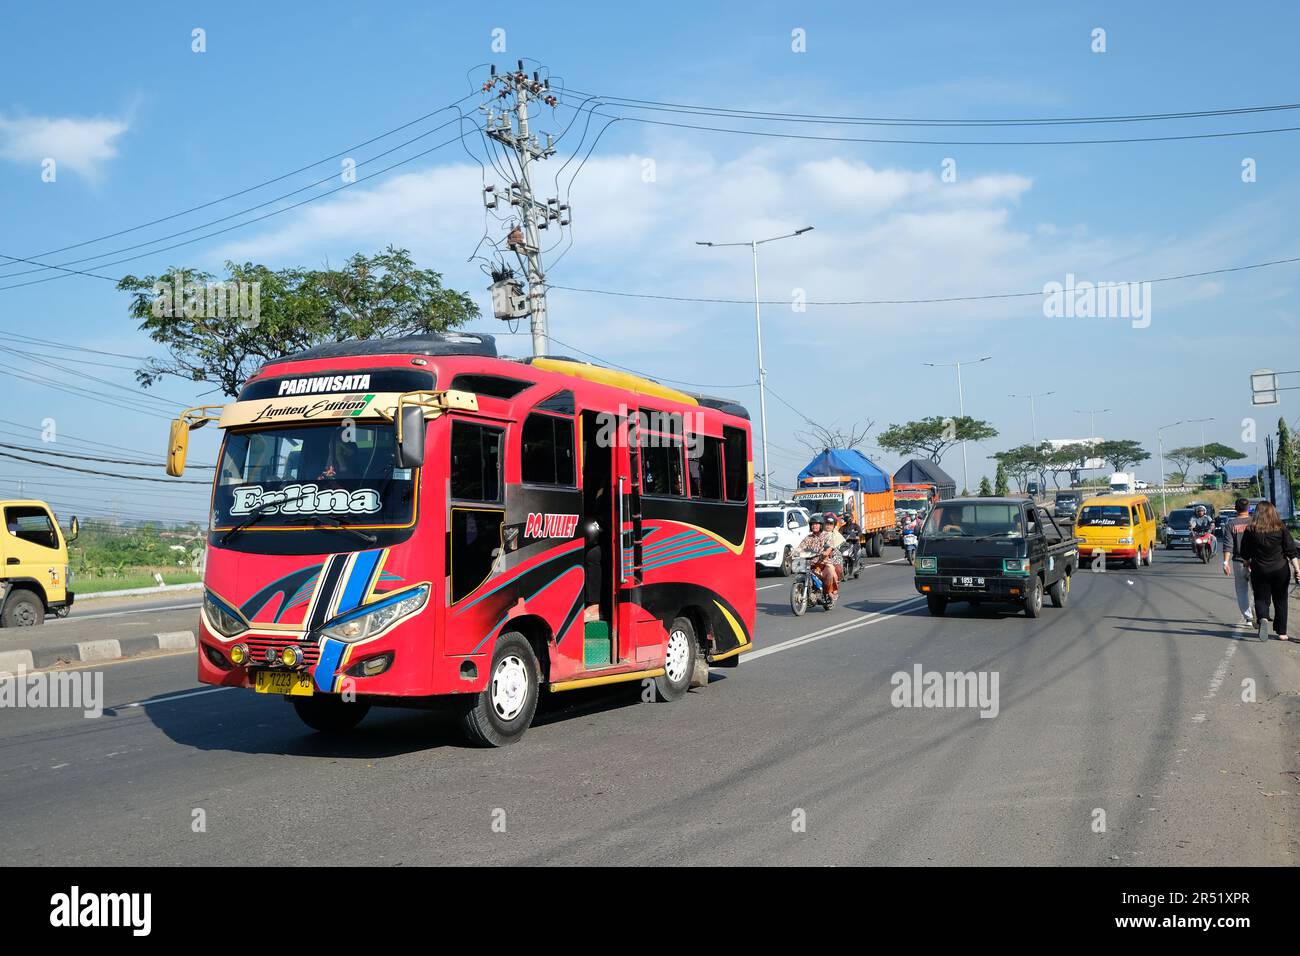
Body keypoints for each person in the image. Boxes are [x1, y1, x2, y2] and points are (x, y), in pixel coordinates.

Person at [1240, 501, 1300, 642]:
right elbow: (1291, 551)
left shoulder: (1250, 530)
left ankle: (1263, 618)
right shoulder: (1281, 528)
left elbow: (1244, 552)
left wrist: (1247, 562)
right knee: (1281, 600)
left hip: (1259, 570)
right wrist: (1297, 569)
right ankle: (1282, 632)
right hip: (1280, 569)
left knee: (1261, 597)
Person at [1221, 497, 1254, 628]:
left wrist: (1225, 562)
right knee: (1259, 589)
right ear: (1248, 508)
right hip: (1256, 562)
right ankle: (1261, 612)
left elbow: (1228, 545)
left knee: (1241, 590)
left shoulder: (1231, 524)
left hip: (1238, 561)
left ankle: (1249, 618)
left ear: (1236, 508)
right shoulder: (1254, 522)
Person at [797, 514, 840, 600]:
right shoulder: (808, 538)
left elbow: (830, 547)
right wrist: (793, 552)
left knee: (830, 571)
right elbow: (800, 547)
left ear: (821, 525)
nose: (814, 526)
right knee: (799, 572)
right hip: (810, 562)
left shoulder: (826, 536)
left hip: (823, 563)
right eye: (812, 524)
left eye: (816, 524)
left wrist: (826, 552)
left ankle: (829, 592)